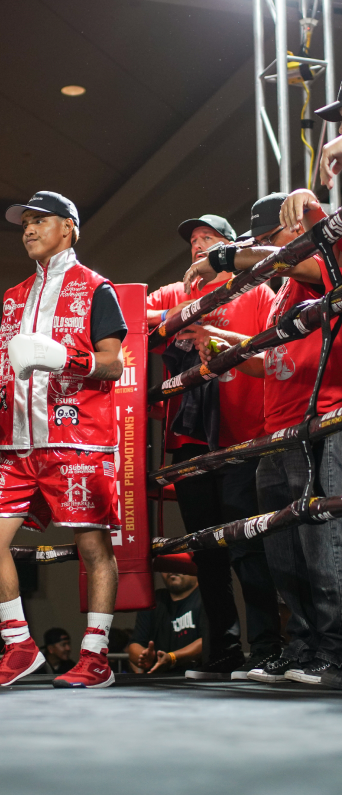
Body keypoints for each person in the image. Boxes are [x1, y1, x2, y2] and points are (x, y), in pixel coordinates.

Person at [0, 190, 127, 689]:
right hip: (18, 444)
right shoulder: (13, 295)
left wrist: (66, 360)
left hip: (77, 439)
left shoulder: (96, 288)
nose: (27, 229)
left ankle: (95, 656)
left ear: (68, 227)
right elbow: (1, 358)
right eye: (23, 223)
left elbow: (115, 361)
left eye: (39, 220)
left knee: (93, 547)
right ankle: (21, 647)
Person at [182, 189, 342, 685]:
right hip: (278, 428)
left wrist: (229, 257)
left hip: (320, 416)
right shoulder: (281, 298)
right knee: (282, 545)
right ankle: (300, 647)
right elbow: (269, 362)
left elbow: (314, 265)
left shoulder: (321, 259)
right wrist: (223, 345)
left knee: (322, 541)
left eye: (273, 239)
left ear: (295, 230)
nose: (268, 251)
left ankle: (333, 651)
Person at [147, 214, 281, 680]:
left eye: (208, 238)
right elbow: (133, 317)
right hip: (189, 442)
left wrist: (216, 337)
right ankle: (224, 650)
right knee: (206, 551)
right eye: (193, 241)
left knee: (248, 545)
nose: (198, 246)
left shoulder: (256, 288)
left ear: (229, 246)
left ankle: (268, 647)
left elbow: (276, 348)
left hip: (245, 434)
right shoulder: (177, 292)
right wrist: (170, 322)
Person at [128, 573, 206, 674]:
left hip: (198, 679)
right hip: (159, 683)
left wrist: (172, 657)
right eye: (166, 563)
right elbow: (135, 644)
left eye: (178, 562)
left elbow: (208, 641)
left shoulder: (207, 597)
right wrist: (143, 656)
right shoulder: (154, 600)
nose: (172, 569)